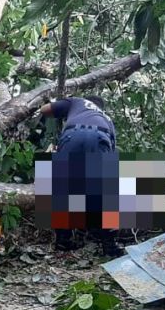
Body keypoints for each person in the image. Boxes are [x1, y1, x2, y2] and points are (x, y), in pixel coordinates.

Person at [39, 95, 121, 257]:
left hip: (73, 135)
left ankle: (63, 240)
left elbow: (44, 110)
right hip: (101, 136)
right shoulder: (107, 119)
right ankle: (109, 245)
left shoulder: (76, 101)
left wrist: (61, 111)